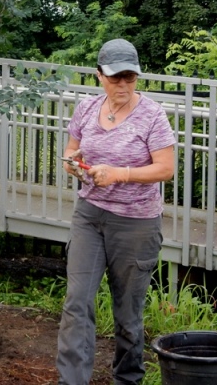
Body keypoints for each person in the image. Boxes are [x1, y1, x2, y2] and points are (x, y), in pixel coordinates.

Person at [56, 38, 175, 385]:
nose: (123, 85)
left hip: (136, 224)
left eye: (130, 77)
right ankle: (72, 381)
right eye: (115, 78)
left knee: (127, 314)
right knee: (77, 301)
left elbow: (165, 168)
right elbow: (72, 149)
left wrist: (119, 174)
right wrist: (73, 164)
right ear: (99, 76)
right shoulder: (87, 108)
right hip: (90, 216)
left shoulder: (152, 115)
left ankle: (126, 379)